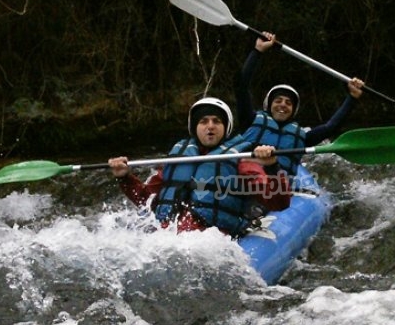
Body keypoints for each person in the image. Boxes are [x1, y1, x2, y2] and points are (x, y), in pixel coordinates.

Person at [108, 97, 289, 236]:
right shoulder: (178, 158)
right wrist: (125, 177)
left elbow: (279, 203)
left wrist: (272, 167)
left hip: (211, 241)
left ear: (226, 128)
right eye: (203, 122)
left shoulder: (242, 160)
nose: (210, 127)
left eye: (216, 121)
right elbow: (146, 200)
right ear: (195, 127)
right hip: (166, 238)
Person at [235, 32, 365, 183]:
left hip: (277, 192)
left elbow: (331, 127)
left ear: (293, 111)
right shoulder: (249, 120)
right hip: (243, 184)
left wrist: (352, 97)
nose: (283, 104)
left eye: (288, 103)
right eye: (278, 101)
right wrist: (257, 50)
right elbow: (241, 87)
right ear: (268, 105)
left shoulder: (302, 136)